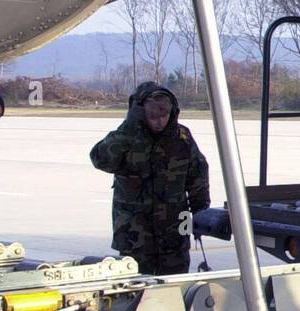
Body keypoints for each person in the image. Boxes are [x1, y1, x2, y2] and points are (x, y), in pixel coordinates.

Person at [90, 82, 210, 275]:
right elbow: (100, 160)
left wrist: (200, 214)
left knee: (174, 287)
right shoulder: (127, 137)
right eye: (153, 116)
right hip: (135, 236)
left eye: (164, 115)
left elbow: (197, 175)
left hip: (173, 233)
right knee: (136, 289)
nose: (159, 121)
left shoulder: (182, 138)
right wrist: (129, 128)